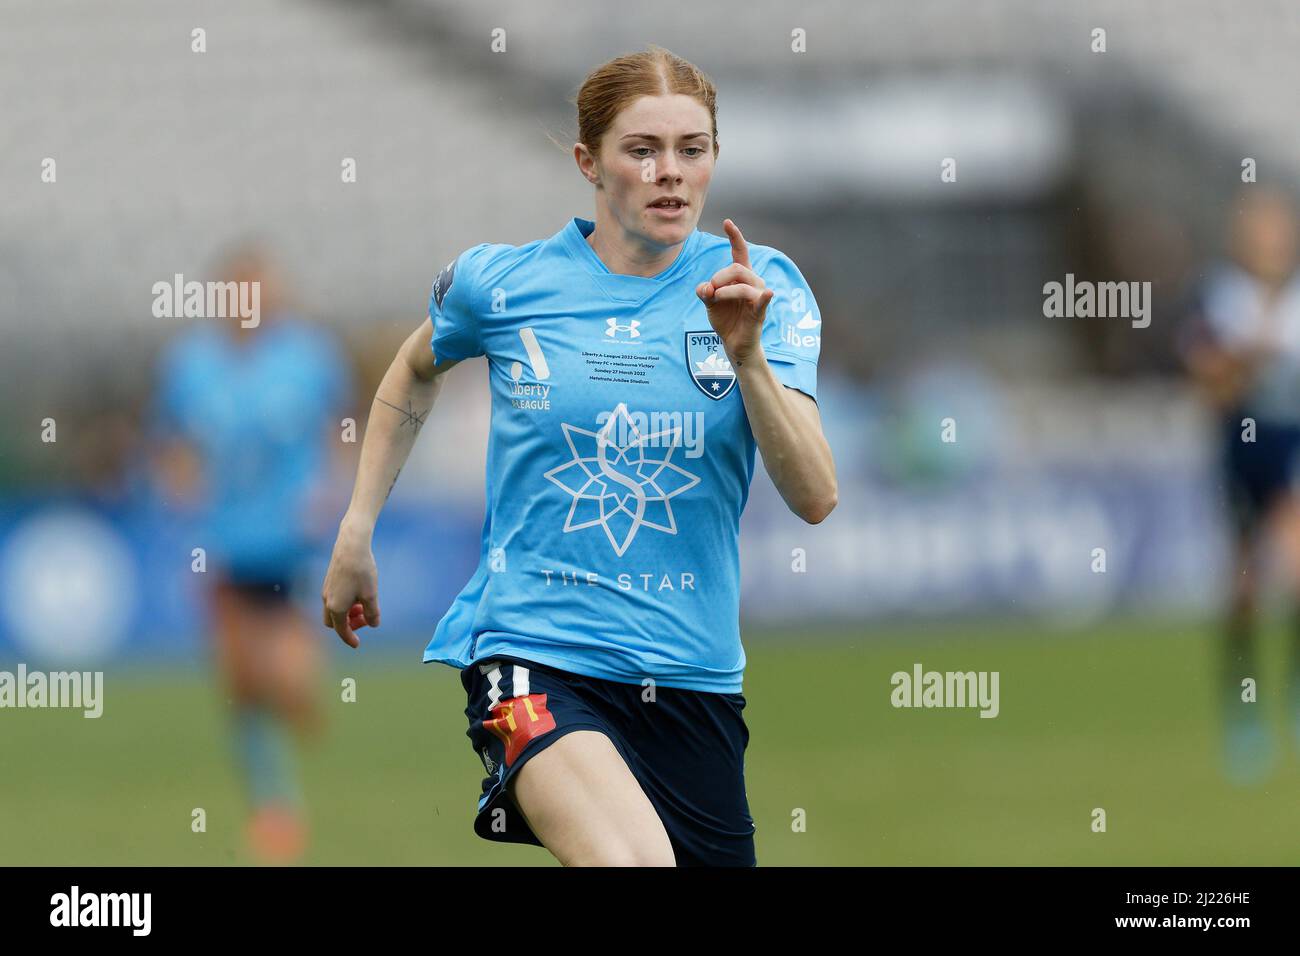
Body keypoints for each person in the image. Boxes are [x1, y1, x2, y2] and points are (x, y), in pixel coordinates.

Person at [321, 45, 837, 866]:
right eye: (643, 150)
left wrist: (747, 359)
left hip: (694, 677)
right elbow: (414, 369)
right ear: (588, 162)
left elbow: (815, 495)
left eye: (691, 149)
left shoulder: (760, 286)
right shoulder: (502, 284)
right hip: (534, 652)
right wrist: (358, 526)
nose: (670, 172)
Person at [152, 242, 355, 861]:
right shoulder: (190, 363)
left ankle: (300, 695)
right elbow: (172, 442)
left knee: (285, 680)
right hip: (223, 542)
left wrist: (333, 492)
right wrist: (179, 483)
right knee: (240, 683)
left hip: (291, 542)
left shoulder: (309, 356)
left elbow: (343, 429)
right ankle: (274, 809)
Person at [1181, 186, 1300, 783]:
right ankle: (1243, 711)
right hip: (1241, 452)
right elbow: (1207, 385)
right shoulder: (1220, 297)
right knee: (1244, 591)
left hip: (1292, 448)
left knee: (1298, 568)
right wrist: (1246, 359)